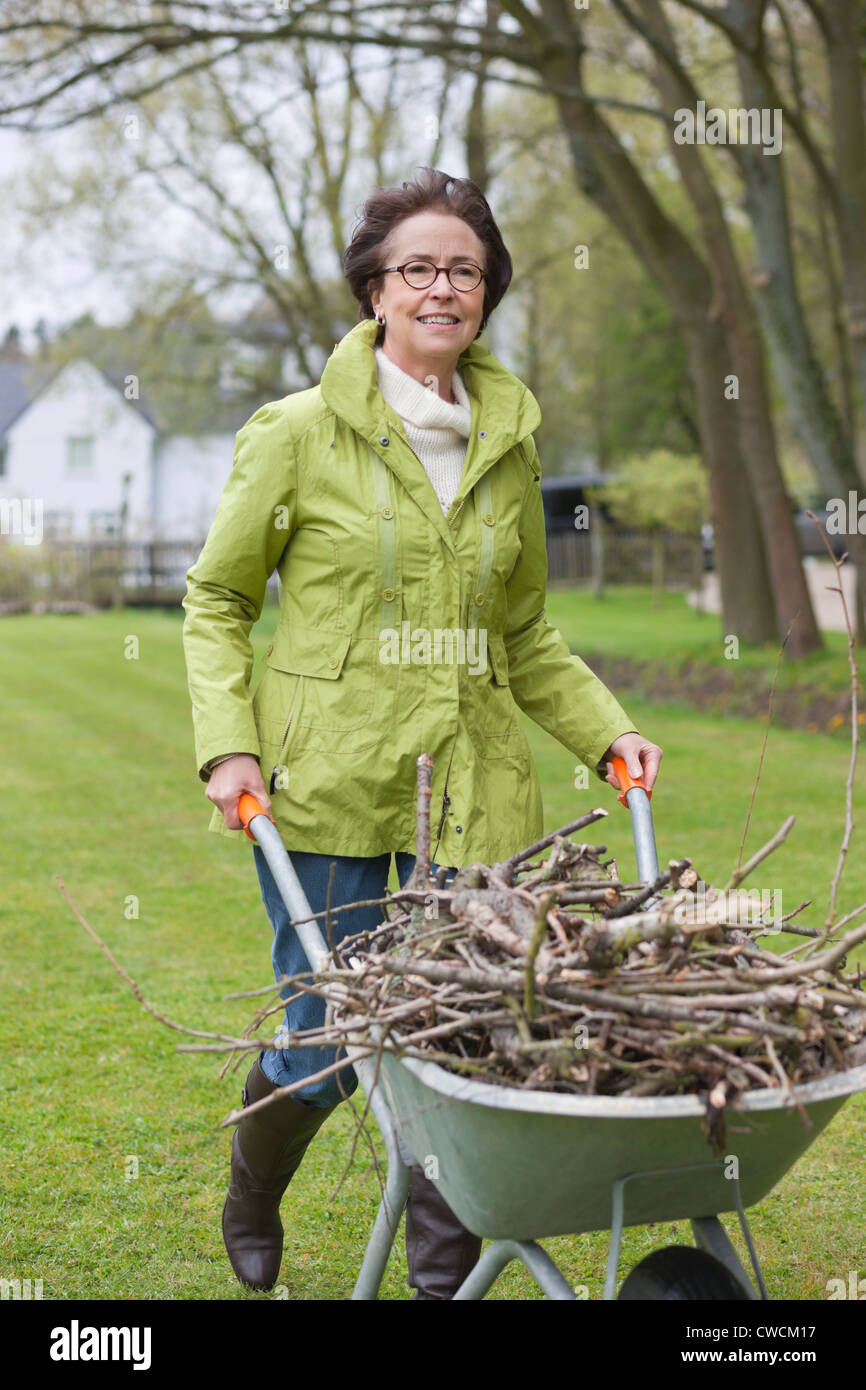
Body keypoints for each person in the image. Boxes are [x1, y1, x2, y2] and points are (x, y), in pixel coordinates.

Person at [182, 167, 663, 1299]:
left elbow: (526, 630)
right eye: (418, 268)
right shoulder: (295, 435)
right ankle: (252, 1188)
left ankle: (438, 1284)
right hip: (329, 778)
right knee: (329, 1042)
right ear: (374, 291)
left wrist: (607, 735)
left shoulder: (509, 439)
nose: (441, 287)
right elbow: (215, 601)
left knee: (464, 1042)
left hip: (476, 788)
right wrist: (228, 745)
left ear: (487, 290)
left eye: (464, 269)